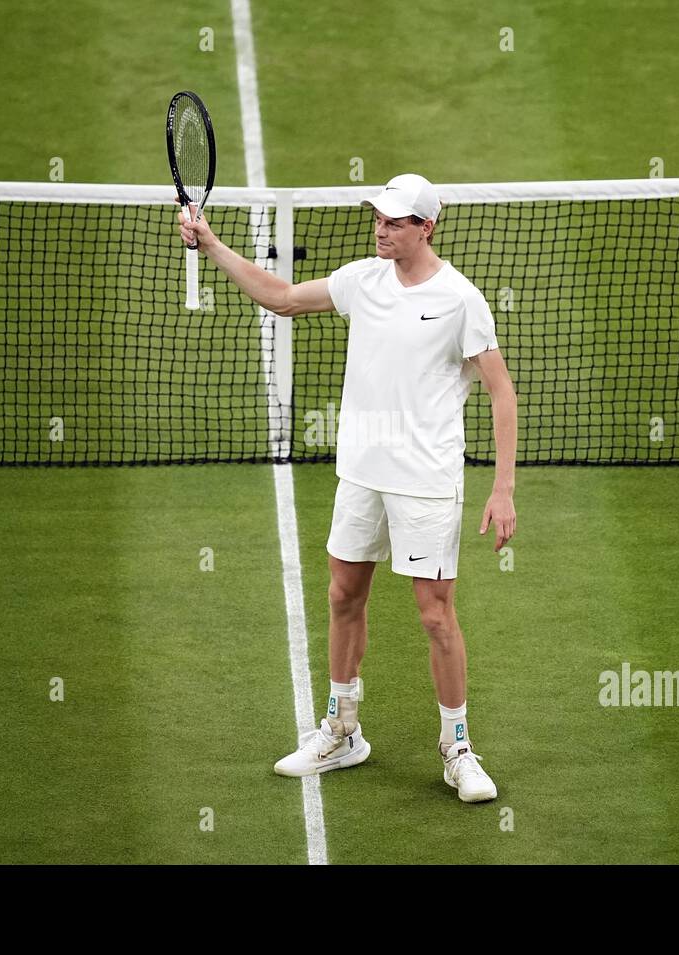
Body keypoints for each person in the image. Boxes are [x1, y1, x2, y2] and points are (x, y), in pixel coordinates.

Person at [177, 173, 517, 802]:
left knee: (436, 616)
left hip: (426, 482)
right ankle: (343, 728)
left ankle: (457, 746)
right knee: (342, 594)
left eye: (393, 221)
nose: (381, 228)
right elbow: (280, 297)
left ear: (425, 228)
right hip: (361, 474)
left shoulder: (460, 300)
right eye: (378, 219)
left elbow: (500, 390)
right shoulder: (362, 280)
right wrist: (213, 244)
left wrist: (503, 490)